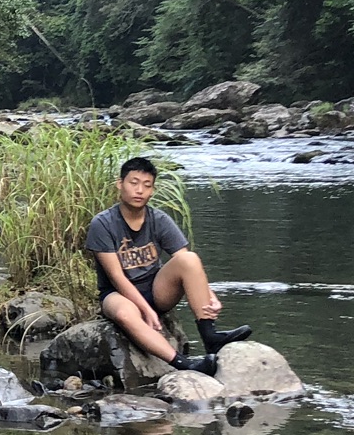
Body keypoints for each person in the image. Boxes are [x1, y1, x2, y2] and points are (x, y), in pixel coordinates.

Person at [87, 156, 252, 376]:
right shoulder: (102, 223)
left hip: (156, 289)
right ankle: (184, 363)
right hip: (117, 294)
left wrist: (210, 297)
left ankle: (210, 336)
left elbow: (186, 262)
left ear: (152, 190)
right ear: (120, 184)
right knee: (125, 313)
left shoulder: (158, 219)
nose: (139, 190)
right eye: (133, 183)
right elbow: (117, 277)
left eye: (147, 185)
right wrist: (145, 310)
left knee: (189, 258)